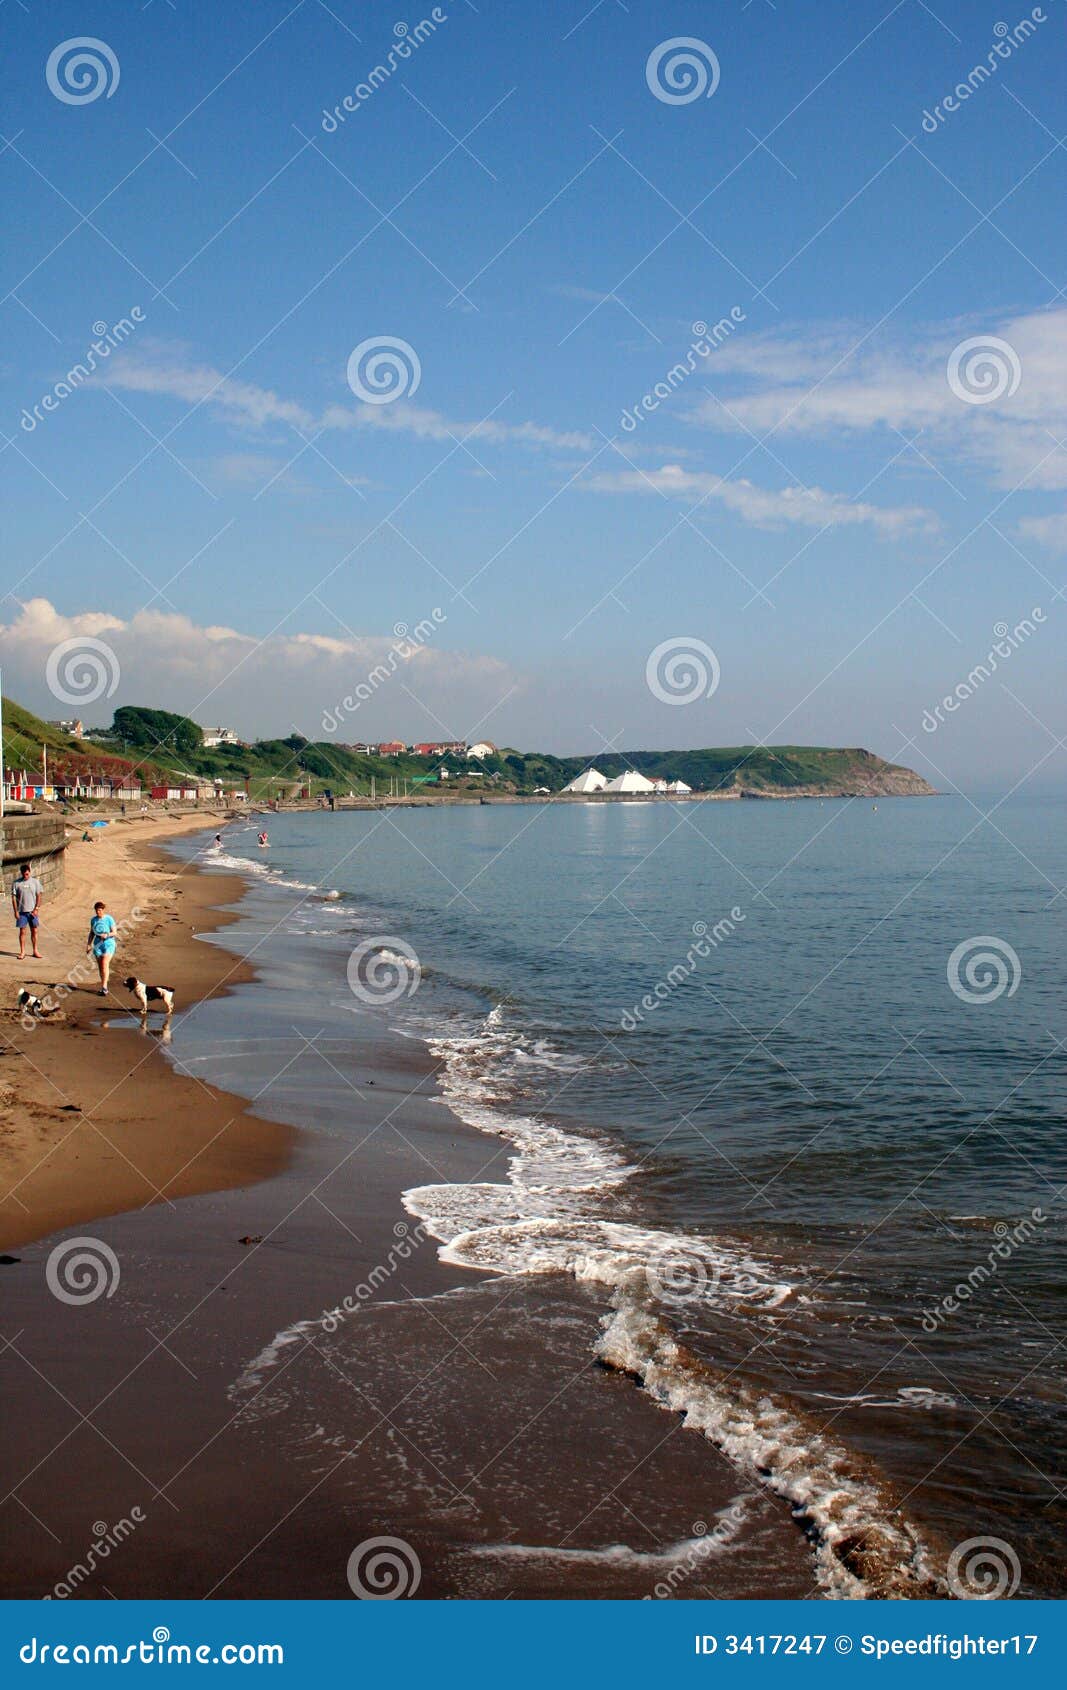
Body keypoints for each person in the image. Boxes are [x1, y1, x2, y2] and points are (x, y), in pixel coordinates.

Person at [11, 863, 43, 960]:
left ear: (29, 872)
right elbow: (13, 898)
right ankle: (22, 952)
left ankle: (35, 951)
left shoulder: (35, 882)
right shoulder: (16, 883)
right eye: (24, 874)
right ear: (21, 873)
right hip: (22, 912)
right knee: (22, 932)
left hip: (33, 912)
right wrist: (16, 911)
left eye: (27, 874)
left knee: (34, 931)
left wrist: (36, 909)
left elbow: (39, 896)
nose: (26, 876)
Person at [86, 900, 117, 995]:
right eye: (96, 910)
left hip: (109, 943)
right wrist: (89, 944)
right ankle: (103, 986)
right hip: (97, 945)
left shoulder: (109, 918)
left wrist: (107, 935)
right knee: (101, 967)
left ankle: (104, 988)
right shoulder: (93, 920)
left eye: (100, 910)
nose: (98, 912)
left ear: (103, 910)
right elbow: (92, 933)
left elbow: (114, 932)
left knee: (104, 963)